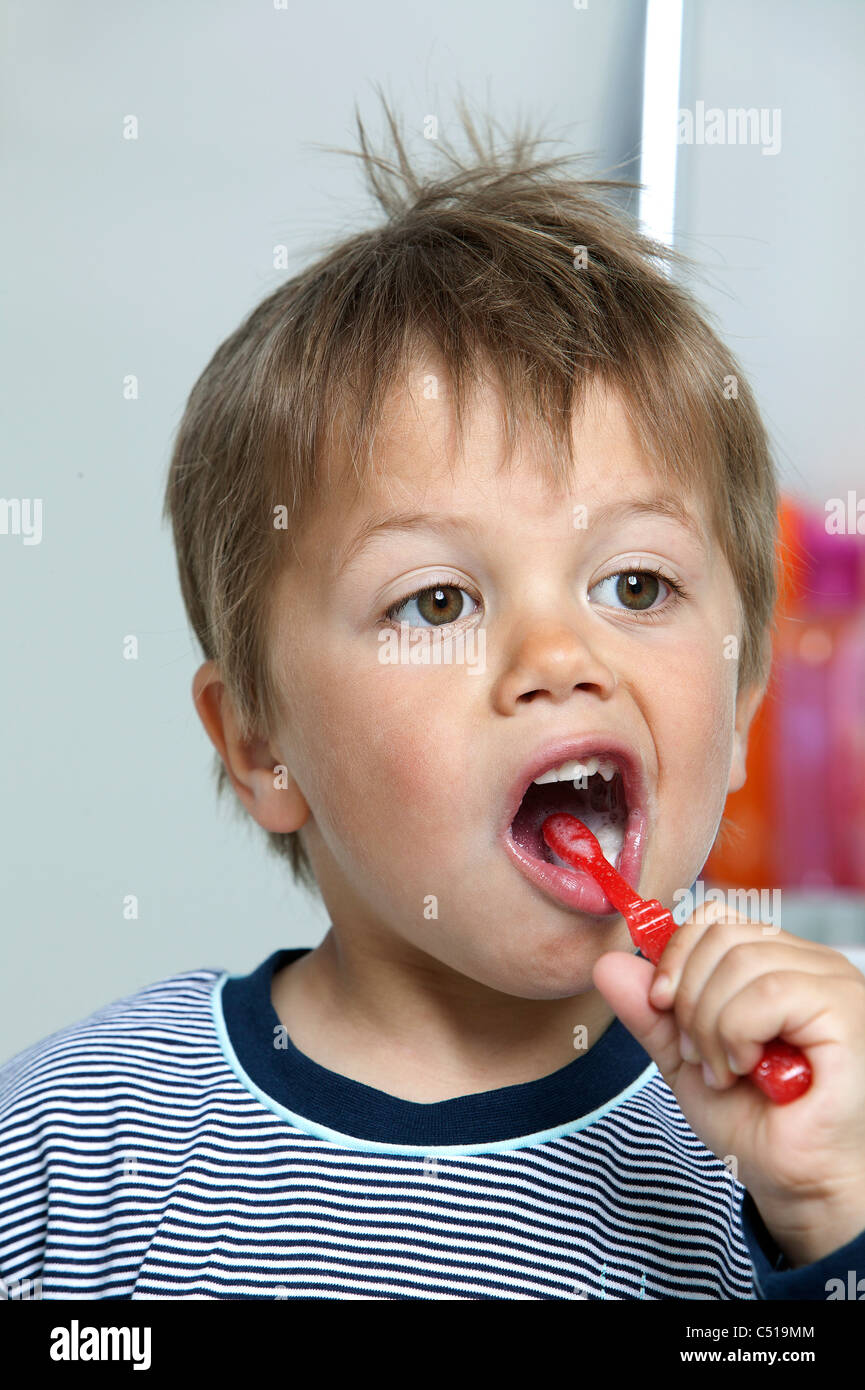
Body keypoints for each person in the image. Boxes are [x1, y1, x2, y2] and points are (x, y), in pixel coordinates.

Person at [3, 98, 864, 1301]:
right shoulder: (74, 1149)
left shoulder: (813, 1121)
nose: (560, 655)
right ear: (262, 744)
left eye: (634, 581)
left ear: (743, 701)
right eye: (438, 603)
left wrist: (831, 1215)